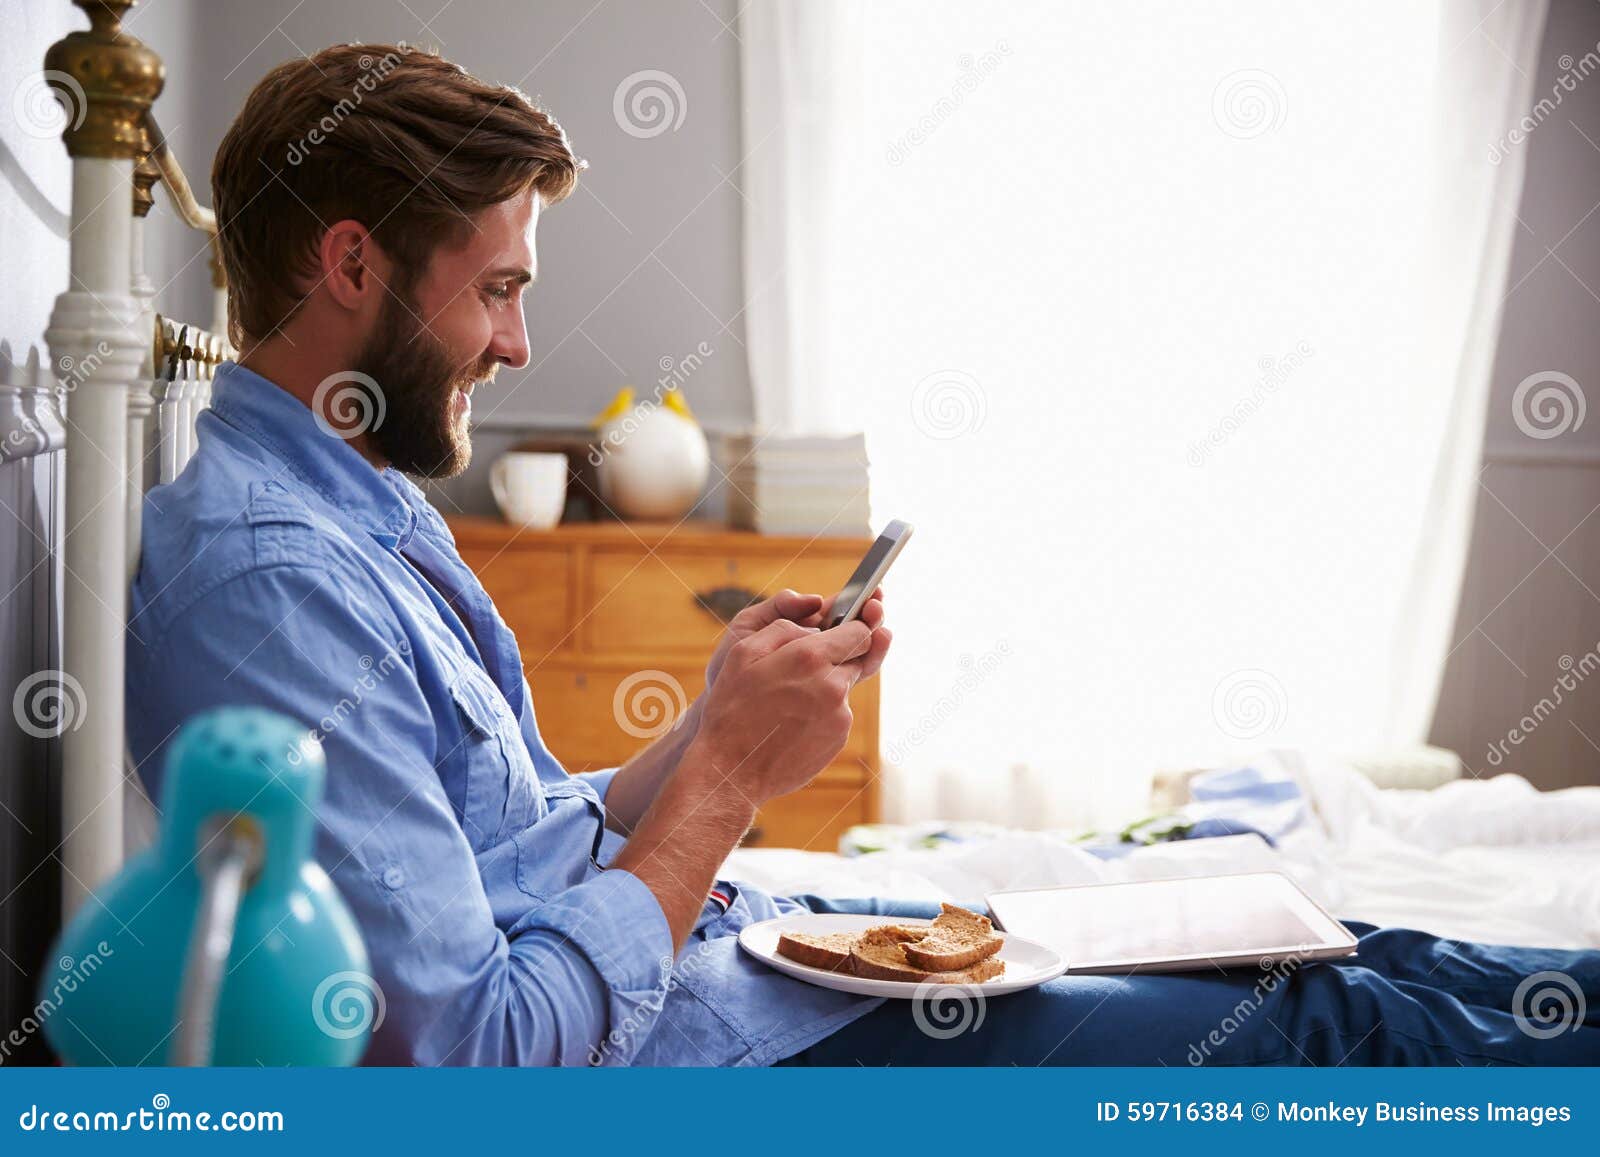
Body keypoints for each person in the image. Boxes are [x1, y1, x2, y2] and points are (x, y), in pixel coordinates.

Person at [126, 44, 1600, 1067]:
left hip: (724, 962)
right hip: (703, 1053)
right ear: (352, 264)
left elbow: (511, 844)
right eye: (497, 289)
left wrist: (712, 722)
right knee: (1308, 1026)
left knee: (1328, 945)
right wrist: (725, 783)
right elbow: (480, 1058)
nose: (516, 343)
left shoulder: (353, 508)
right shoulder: (269, 584)